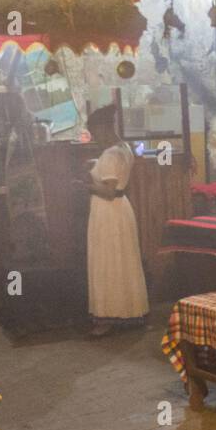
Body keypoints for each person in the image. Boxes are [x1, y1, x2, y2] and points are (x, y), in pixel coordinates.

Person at [79, 105, 148, 337]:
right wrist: (95, 165)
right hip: (121, 209)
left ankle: (106, 317)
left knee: (107, 263)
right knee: (123, 262)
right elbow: (115, 178)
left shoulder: (109, 154)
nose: (96, 138)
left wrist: (85, 184)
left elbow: (107, 191)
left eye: (96, 133)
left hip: (107, 211)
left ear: (104, 128)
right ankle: (129, 311)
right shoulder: (124, 148)